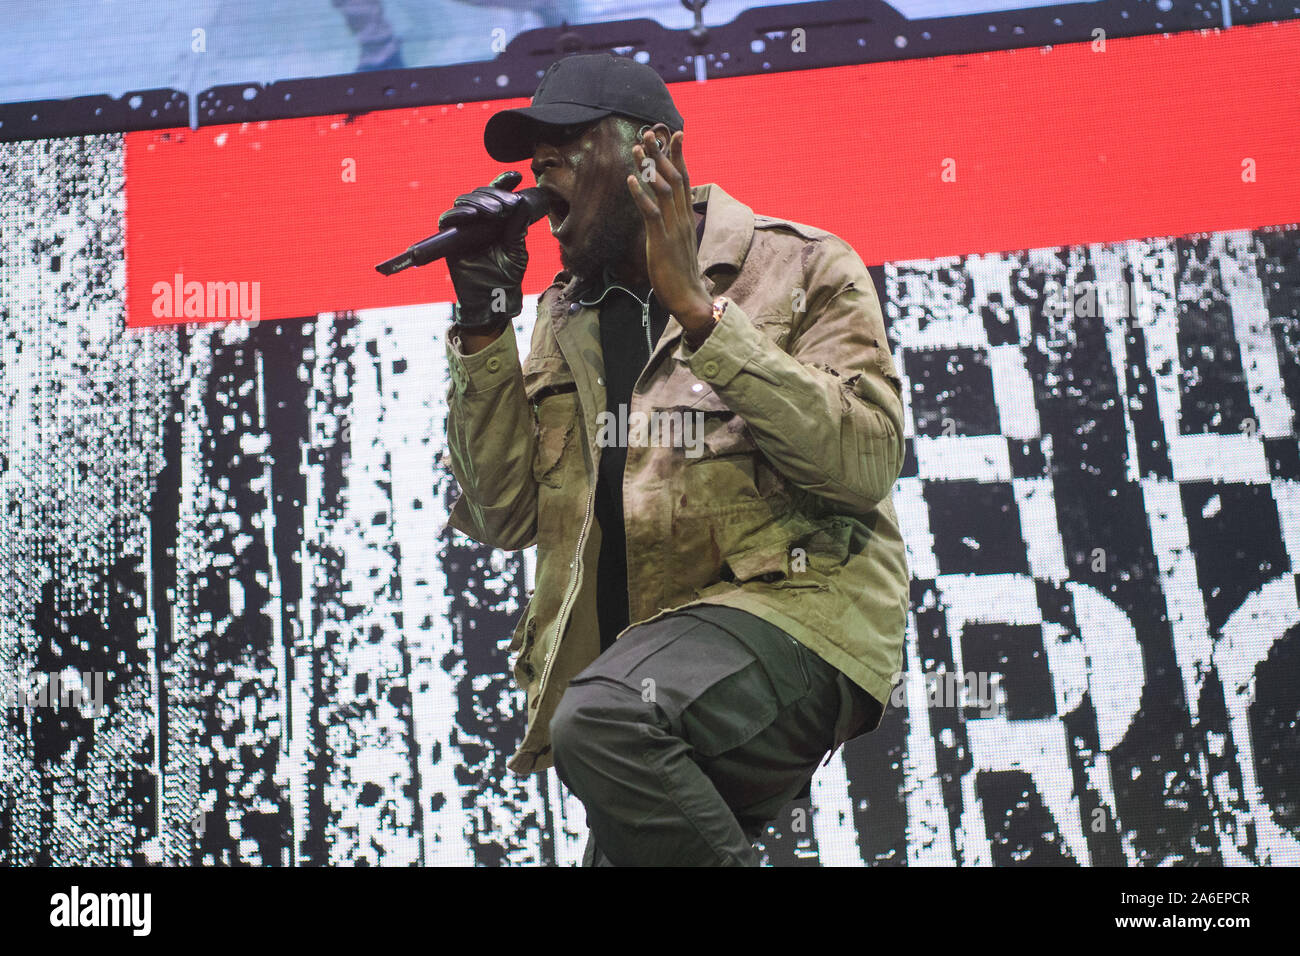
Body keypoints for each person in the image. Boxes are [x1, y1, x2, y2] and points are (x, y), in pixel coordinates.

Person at [441, 52, 909, 865]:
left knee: (603, 718)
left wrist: (699, 311)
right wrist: (484, 321)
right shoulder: (564, 315)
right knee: (610, 728)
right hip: (652, 683)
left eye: (565, 149)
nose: (540, 174)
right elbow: (502, 515)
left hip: (797, 624)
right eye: (535, 161)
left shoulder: (798, 264)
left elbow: (865, 462)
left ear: (652, 151)